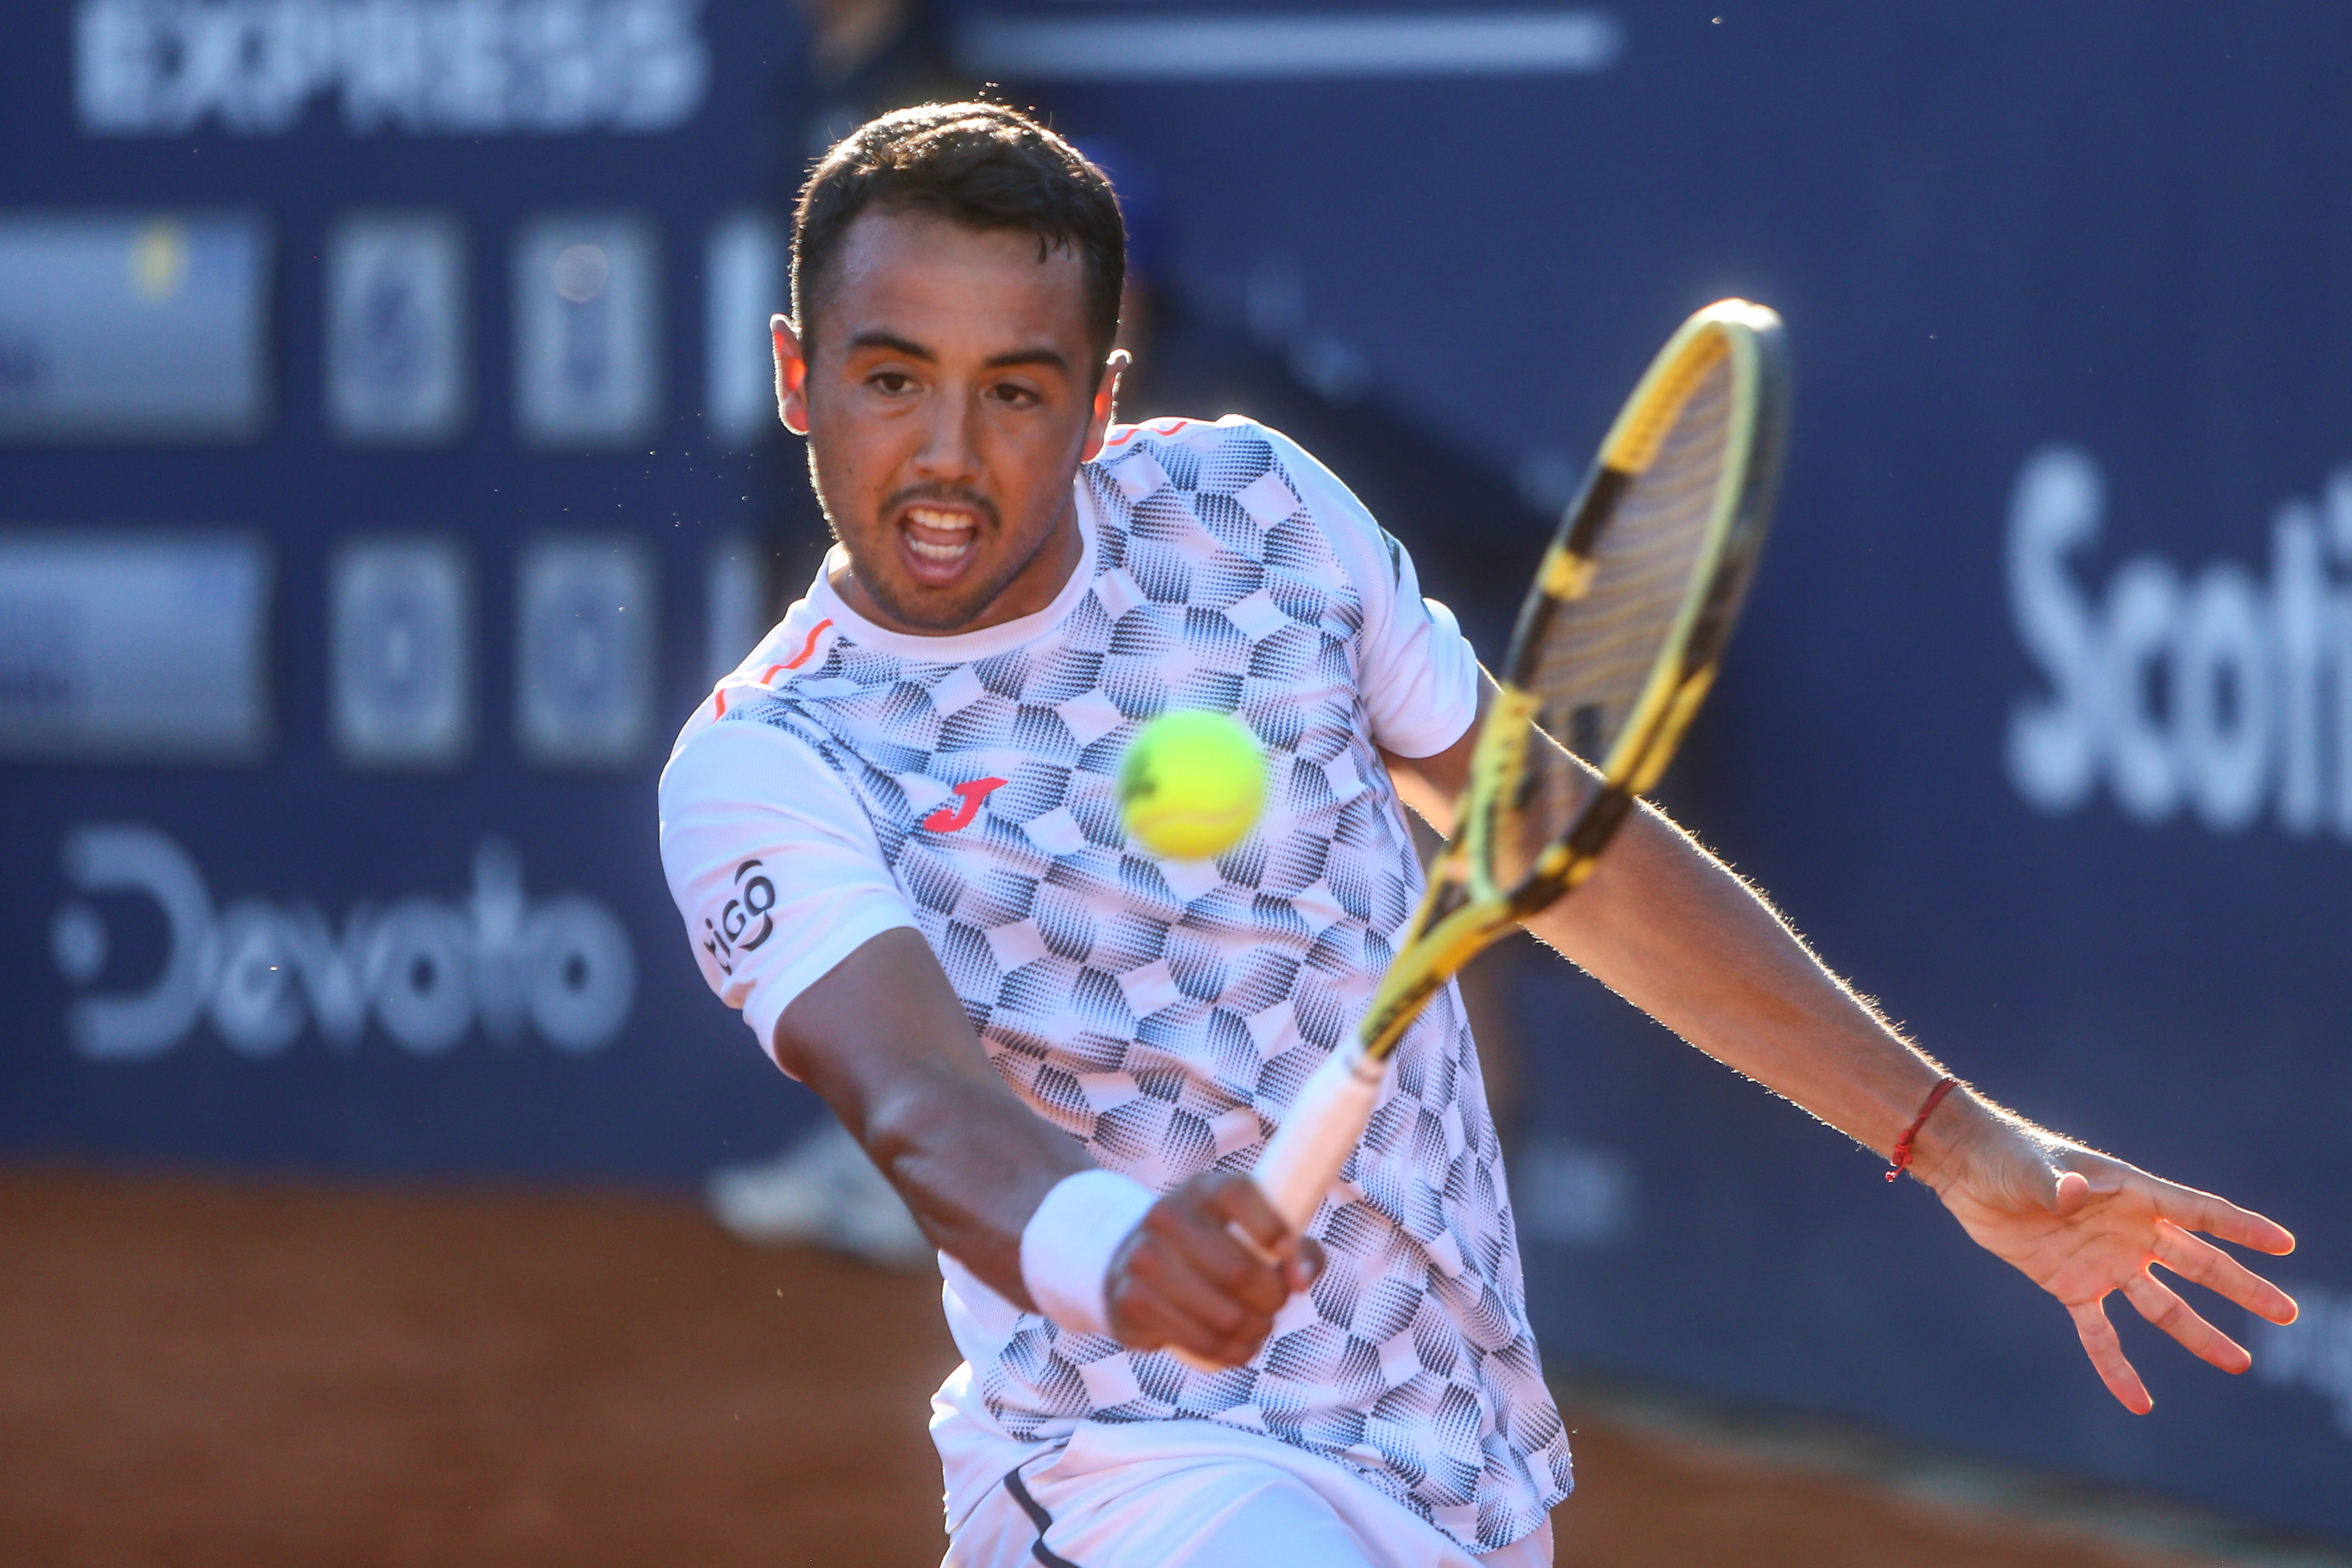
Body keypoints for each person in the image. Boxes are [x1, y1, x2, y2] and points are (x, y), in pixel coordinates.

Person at [657, 103, 2297, 1568]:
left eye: (1012, 391)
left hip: (1454, 1463)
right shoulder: (771, 759)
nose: (944, 456)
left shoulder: (1255, 511)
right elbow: (919, 1101)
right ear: (799, 376)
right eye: (889, 379)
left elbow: (1558, 846)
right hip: (1136, 1480)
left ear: (1097, 401)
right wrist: (1111, 1246)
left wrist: (1949, 1136)